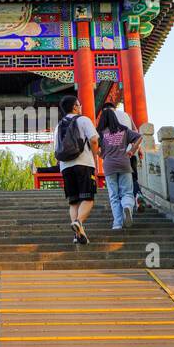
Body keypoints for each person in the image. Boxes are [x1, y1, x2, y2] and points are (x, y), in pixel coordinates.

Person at [52, 95, 98, 244]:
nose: (80, 107)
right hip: (84, 163)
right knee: (88, 198)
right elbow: (94, 139)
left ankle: (77, 235)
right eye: (79, 104)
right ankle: (78, 221)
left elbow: (56, 150)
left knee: (73, 202)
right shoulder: (83, 120)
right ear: (75, 107)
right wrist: (95, 156)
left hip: (65, 166)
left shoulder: (58, 126)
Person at [96, 105, 141, 229]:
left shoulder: (100, 133)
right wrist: (132, 150)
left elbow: (93, 145)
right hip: (124, 163)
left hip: (109, 165)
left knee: (114, 195)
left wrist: (100, 154)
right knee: (126, 192)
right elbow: (139, 136)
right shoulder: (124, 130)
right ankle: (127, 206)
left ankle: (117, 223)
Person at [107, 98, 145, 212]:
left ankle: (124, 207)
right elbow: (136, 132)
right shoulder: (126, 115)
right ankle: (137, 195)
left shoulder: (107, 118)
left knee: (117, 183)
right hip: (129, 153)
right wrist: (137, 150)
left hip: (113, 156)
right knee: (132, 178)